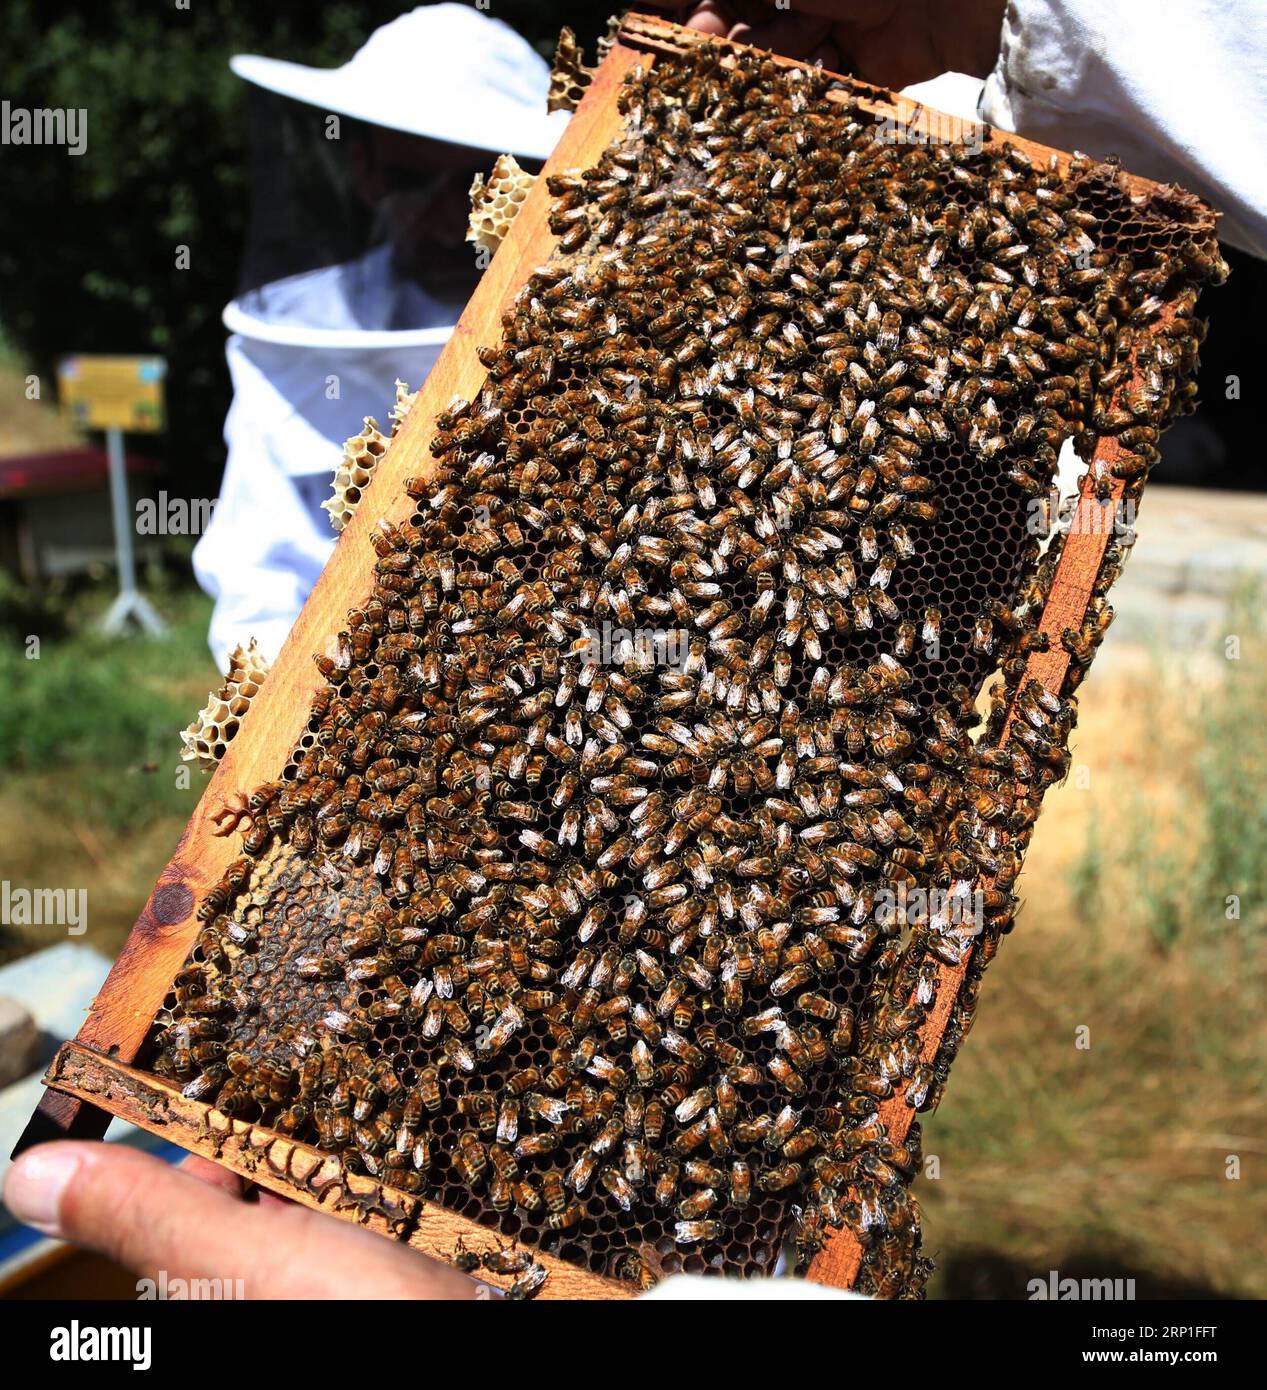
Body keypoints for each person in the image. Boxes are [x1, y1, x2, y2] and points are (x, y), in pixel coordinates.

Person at [8, 0, 1264, 1298]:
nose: (419, 204)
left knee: (667, 1126)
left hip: (654, 821)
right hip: (382, 792)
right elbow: (260, 576)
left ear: (514, 166)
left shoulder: (694, 295)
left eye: (448, 172)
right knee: (301, 1080)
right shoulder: (315, 327)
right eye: (392, 166)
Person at [192, 4, 568, 669]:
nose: (447, 220)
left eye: (478, 183)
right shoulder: (301, 332)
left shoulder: (603, 317)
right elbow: (261, 580)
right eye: (410, 182)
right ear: (363, 167)